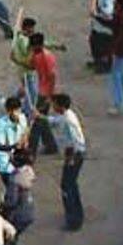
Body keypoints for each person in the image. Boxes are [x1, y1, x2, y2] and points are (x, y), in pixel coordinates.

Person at [47, 94, 87, 230]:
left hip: (74, 156)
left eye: (54, 104)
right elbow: (54, 121)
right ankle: (77, 213)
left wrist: (71, 159)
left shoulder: (68, 120)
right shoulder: (67, 115)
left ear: (60, 106)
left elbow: (76, 141)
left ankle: (73, 220)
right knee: (71, 185)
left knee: (67, 187)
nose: (53, 106)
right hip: (74, 155)